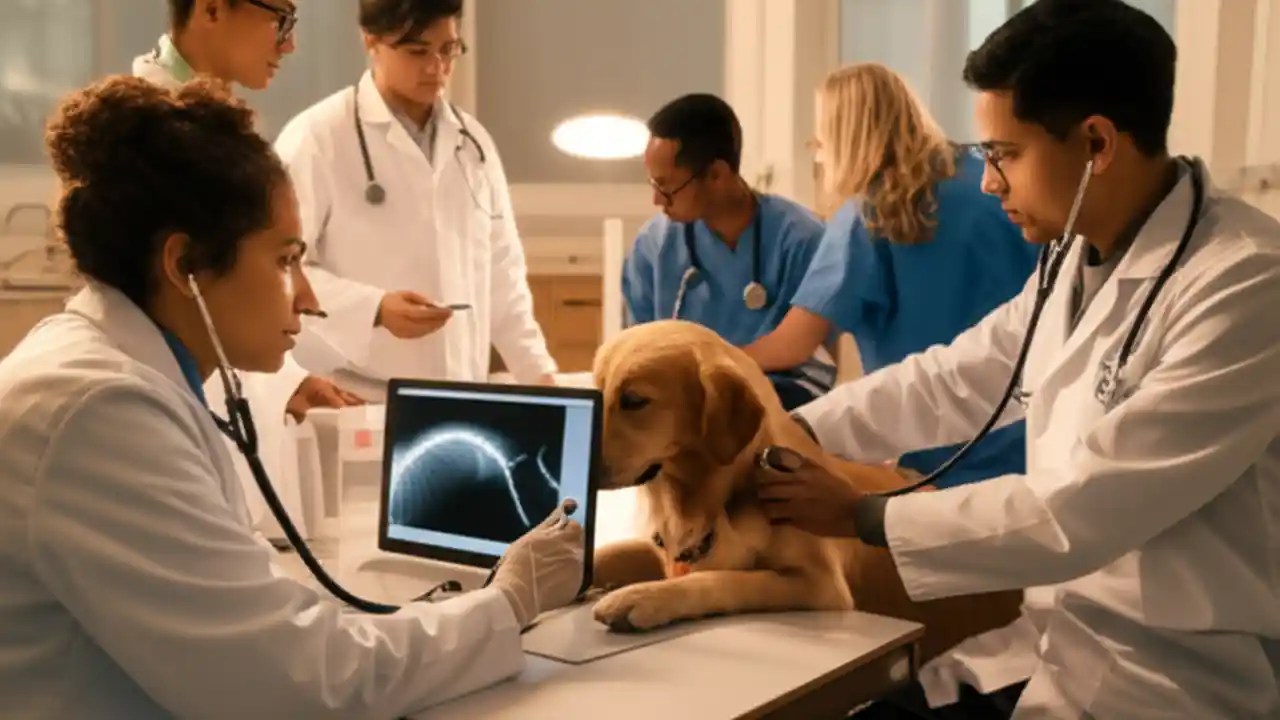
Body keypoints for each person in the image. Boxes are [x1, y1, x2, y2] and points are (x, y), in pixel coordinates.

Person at [0, 75, 584, 718]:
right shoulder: (98, 415)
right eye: (285, 261)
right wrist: (509, 603)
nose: (307, 298)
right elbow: (299, 683)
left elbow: (266, 629)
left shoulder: (125, 375)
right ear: (185, 265)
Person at [758, 2, 1280, 718]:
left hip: (1173, 681)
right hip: (1051, 643)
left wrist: (865, 515)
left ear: (1096, 143)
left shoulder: (1247, 282)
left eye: (1003, 154)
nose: (986, 182)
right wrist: (788, 432)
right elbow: (951, 379)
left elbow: (1084, 509)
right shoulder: (1071, 259)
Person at [743, 63, 1038, 488]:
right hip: (1027, 440)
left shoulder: (868, 216)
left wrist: (707, 360)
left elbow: (793, 345)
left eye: (821, 140)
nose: (818, 152)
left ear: (844, 139)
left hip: (937, 453)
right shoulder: (992, 183)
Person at [134, 0, 363, 540]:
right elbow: (190, 304)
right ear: (213, 8)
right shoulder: (150, 141)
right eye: (280, 19)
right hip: (169, 415)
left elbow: (221, 293)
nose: (289, 44)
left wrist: (286, 379)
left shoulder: (204, 130)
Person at [274, 0, 557, 397]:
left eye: (448, 50)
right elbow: (282, 270)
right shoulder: (316, 138)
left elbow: (503, 277)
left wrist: (539, 376)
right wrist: (374, 308)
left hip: (462, 392)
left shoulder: (473, 144)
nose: (436, 68)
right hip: (359, 396)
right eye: (417, 52)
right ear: (370, 41)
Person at [623, 93, 834, 411]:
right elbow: (635, 356)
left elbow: (813, 362)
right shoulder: (653, 248)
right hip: (679, 407)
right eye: (653, 184)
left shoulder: (803, 240)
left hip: (783, 407)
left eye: (666, 187)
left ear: (717, 175)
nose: (656, 201)